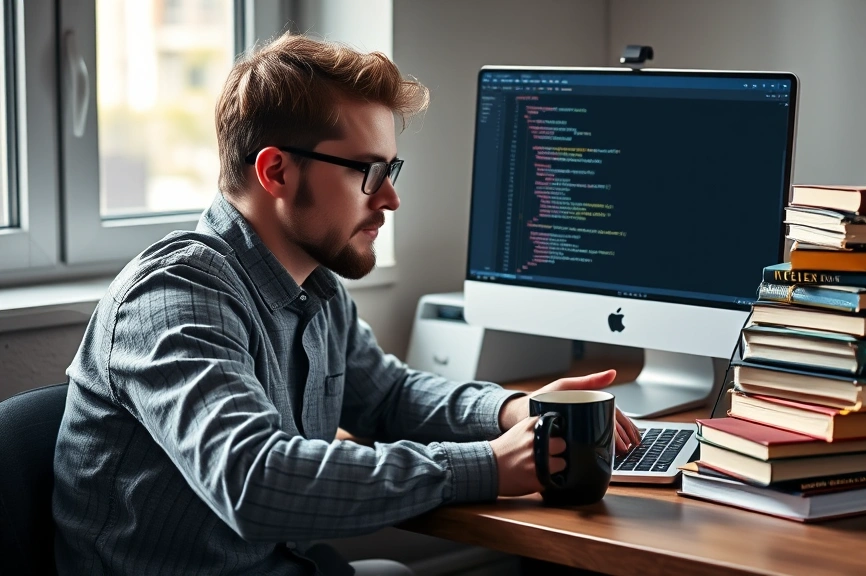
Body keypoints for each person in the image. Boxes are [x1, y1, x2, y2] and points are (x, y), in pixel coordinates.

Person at [52, 32, 640, 576]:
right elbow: (257, 482)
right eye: (368, 171)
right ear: (276, 171)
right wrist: (485, 464)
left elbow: (387, 396)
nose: (390, 198)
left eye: (391, 169)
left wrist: (513, 410)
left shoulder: (315, 283)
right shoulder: (175, 296)